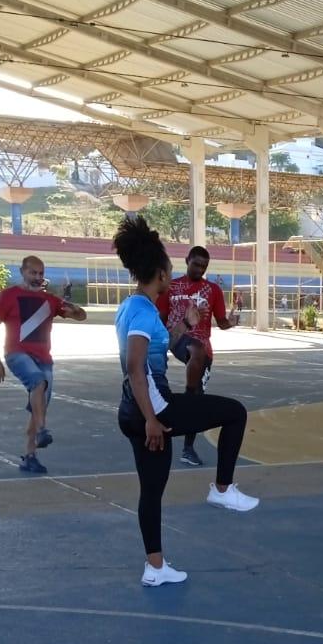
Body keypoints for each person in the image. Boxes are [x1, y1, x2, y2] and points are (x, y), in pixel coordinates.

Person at [114, 216, 257, 588]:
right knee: (235, 413)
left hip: (131, 410)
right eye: (170, 271)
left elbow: (158, 346)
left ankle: (155, 567)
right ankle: (222, 489)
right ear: (161, 275)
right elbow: (135, 366)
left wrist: (187, 323)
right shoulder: (145, 311)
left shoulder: (131, 307)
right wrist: (151, 419)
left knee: (153, 490)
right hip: (154, 408)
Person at [0, 254, 86, 474]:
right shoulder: (8, 296)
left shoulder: (50, 300)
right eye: (33, 272)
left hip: (44, 358)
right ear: (23, 272)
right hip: (17, 354)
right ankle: (43, 430)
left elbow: (81, 316)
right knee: (38, 382)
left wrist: (74, 308)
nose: (37, 277)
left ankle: (30, 456)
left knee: (38, 404)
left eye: (41, 273)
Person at [156, 245, 237, 468]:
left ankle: (188, 447)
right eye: (196, 264)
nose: (200, 269)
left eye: (204, 266)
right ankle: (189, 394)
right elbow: (161, 319)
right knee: (195, 351)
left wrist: (231, 322)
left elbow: (220, 322)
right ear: (187, 261)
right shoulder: (171, 287)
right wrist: (159, 345)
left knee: (198, 399)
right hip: (179, 337)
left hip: (202, 344)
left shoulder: (213, 290)